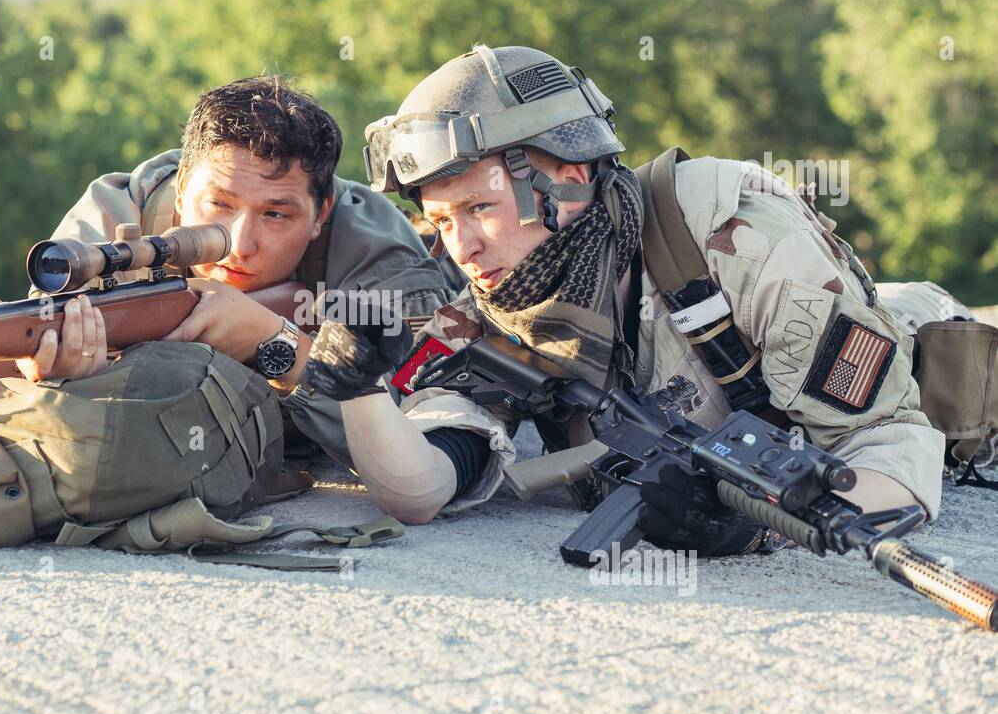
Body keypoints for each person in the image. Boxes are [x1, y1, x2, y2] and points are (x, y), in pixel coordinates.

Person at [303, 44, 963, 554]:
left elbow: (892, 448)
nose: (463, 247)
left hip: (914, 347)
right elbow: (421, 490)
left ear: (569, 180)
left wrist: (754, 522)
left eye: (481, 207)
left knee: (956, 371)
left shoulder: (732, 233)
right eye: (442, 222)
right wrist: (359, 391)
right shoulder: (483, 308)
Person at [47, 75, 452, 466]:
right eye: (220, 205)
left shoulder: (380, 262)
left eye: (275, 214)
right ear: (183, 183)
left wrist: (281, 347)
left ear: (320, 213)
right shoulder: (117, 216)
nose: (239, 245)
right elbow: (38, 332)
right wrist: (60, 375)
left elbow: (416, 445)